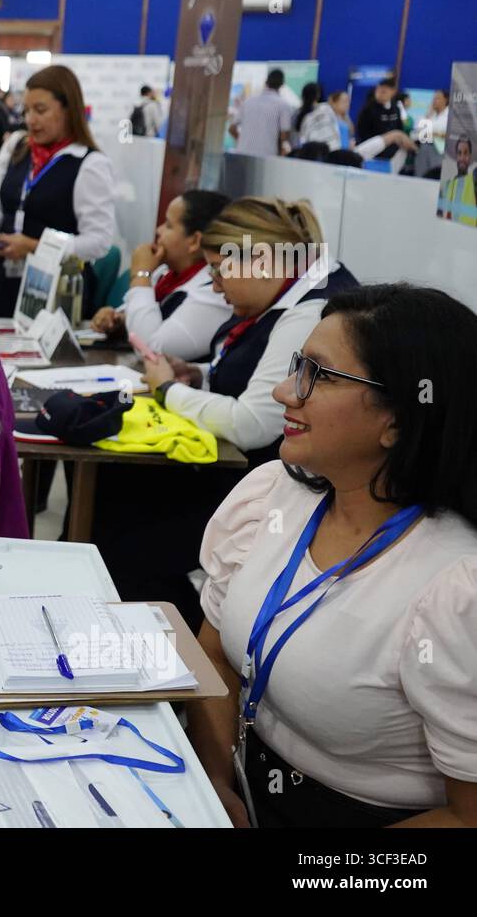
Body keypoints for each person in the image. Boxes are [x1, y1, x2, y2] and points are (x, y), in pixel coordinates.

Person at [188, 284, 477, 827]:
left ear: (398, 417)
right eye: (298, 366)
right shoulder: (276, 495)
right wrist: (215, 781)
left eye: (317, 376)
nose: (284, 392)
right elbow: (217, 650)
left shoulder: (455, 587)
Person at [94, 198, 360, 630]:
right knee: (115, 497)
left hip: (274, 490)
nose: (215, 286)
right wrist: (197, 375)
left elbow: (252, 422)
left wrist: (169, 389)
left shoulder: (307, 313)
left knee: (127, 543)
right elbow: (250, 375)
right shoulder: (292, 292)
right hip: (249, 473)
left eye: (219, 270)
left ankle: (184, 655)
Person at [0, 65, 118, 318]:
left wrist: (34, 246)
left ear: (69, 109)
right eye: (26, 110)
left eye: (41, 110)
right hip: (5, 282)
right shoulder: (17, 145)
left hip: (58, 295)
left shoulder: (89, 164)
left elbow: (98, 243)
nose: (31, 120)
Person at [90, 190, 232, 360]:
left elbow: (150, 350)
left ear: (194, 241)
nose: (159, 230)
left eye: (169, 226)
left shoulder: (214, 289)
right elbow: (144, 318)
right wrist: (118, 320)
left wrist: (141, 275)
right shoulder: (166, 274)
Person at [230, 69, 291, 157]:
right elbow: (284, 135)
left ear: (266, 82)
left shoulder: (248, 101)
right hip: (267, 155)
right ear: (282, 84)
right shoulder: (283, 105)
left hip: (243, 152)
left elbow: (232, 129)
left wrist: (242, 142)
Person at [356, 78, 405, 159]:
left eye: (383, 92)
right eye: (378, 91)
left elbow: (400, 128)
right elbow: (362, 131)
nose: (379, 94)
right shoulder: (368, 109)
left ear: (392, 92)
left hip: (393, 152)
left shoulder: (396, 108)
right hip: (374, 151)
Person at [437, 136, 476, 225]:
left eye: (466, 153)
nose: (462, 158)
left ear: (470, 156)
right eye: (459, 153)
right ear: (456, 156)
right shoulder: (446, 186)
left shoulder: (474, 181)